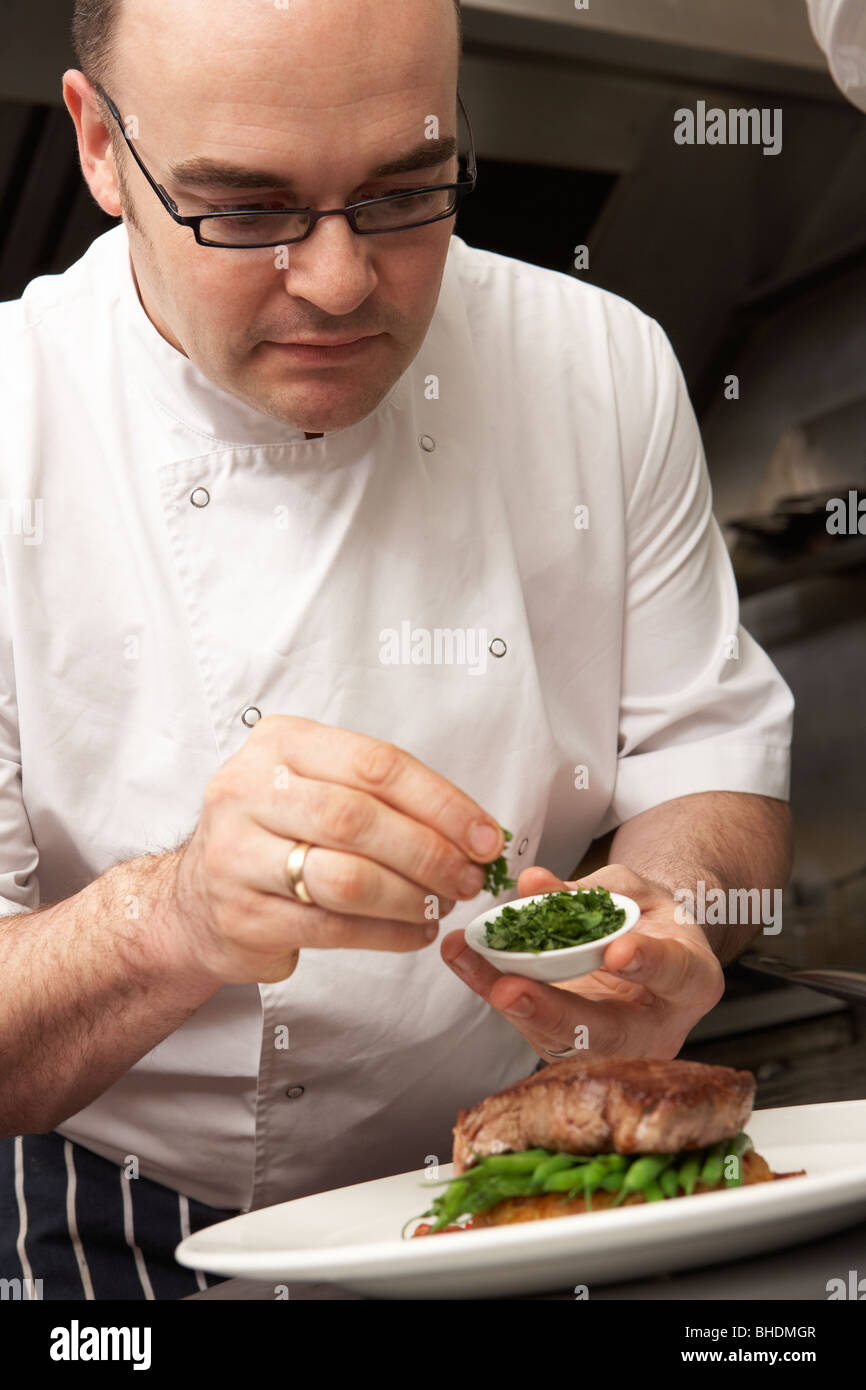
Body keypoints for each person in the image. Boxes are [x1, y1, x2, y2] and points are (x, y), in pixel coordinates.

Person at [0, 0, 793, 1299]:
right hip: (101, 1205)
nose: (337, 281)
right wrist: (177, 915)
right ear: (99, 147)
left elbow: (711, 766)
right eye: (244, 210)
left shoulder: (601, 364)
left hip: (496, 1166)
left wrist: (669, 918)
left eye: (404, 194)